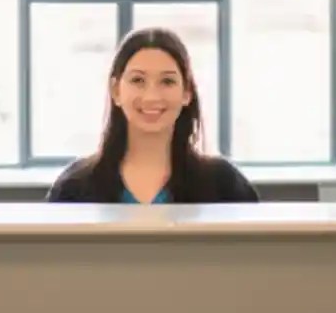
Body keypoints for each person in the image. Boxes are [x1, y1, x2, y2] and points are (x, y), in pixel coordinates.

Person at [46, 27, 259, 204]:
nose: (151, 97)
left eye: (167, 81)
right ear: (116, 90)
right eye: (138, 80)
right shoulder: (74, 187)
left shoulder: (224, 185)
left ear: (187, 93)